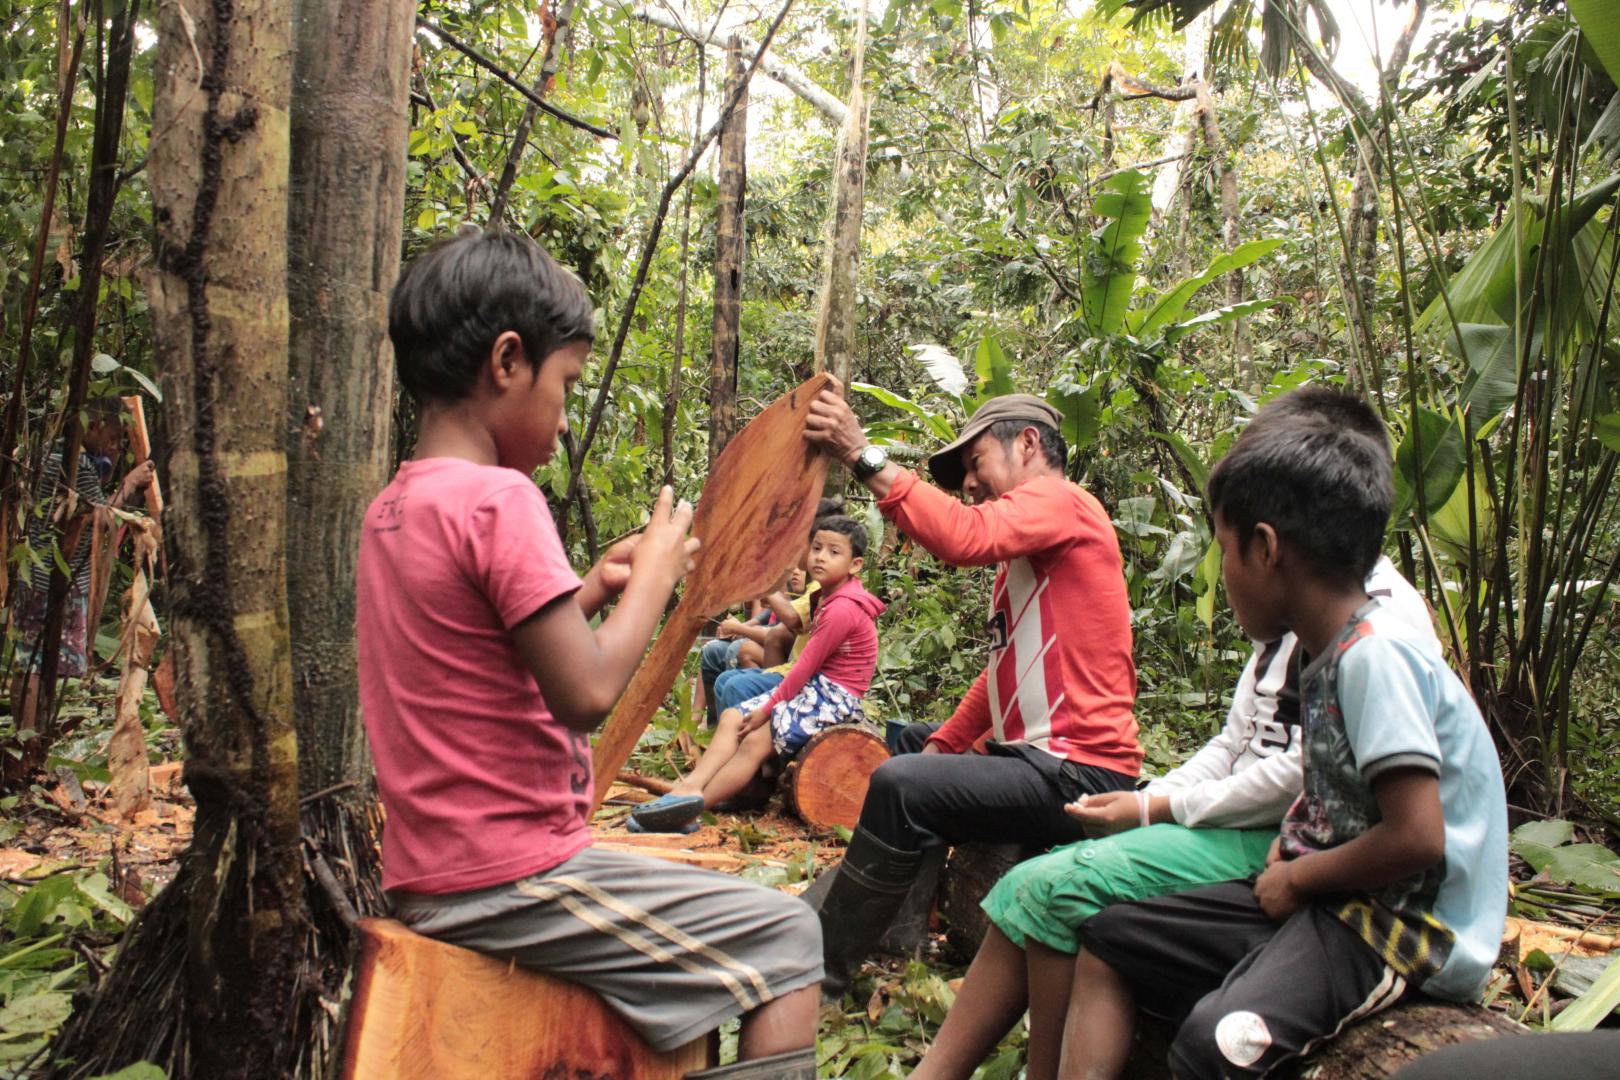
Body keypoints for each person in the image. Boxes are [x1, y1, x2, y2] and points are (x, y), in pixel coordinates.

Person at [355, 229, 821, 1079]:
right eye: (565, 384)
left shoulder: (398, 503)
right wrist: (655, 578)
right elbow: (588, 689)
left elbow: (479, 652)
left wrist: (596, 590)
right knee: (788, 937)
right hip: (505, 877)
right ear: (507, 361)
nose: (566, 416)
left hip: (435, 866)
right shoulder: (500, 499)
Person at [914, 387, 1444, 1079]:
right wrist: (1152, 801)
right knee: (1038, 889)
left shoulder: (1370, 632)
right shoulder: (1301, 618)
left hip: (1283, 843)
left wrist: (1160, 808)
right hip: (1254, 827)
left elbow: (1319, 783)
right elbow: (1236, 743)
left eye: (1224, 548)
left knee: (1050, 888)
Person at [1049, 390, 1508, 1080]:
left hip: (1402, 928)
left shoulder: (1376, 656)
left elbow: (1417, 836)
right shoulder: (1328, 651)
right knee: (1111, 938)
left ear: (1266, 549)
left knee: (1215, 1044)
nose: (1223, 572)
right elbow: (1344, 794)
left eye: (1224, 549)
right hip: (1337, 897)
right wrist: (1297, 849)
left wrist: (1300, 875)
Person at [803, 384, 1141, 995]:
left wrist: (860, 453)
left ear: (1028, 444)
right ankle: (900, 928)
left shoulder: (1062, 501)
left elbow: (963, 536)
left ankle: (818, 976)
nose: (968, 482)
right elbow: (1000, 674)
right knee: (915, 742)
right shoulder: (1030, 556)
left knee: (900, 784)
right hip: (1038, 762)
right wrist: (945, 743)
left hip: (1077, 772)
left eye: (976, 461)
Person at [632, 515, 885, 833]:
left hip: (834, 696)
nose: (820, 557)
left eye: (834, 552)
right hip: (816, 686)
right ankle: (689, 788)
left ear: (855, 564)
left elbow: (804, 667)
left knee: (754, 742)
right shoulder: (825, 595)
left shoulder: (843, 608)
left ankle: (690, 810)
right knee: (731, 718)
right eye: (817, 547)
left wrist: (767, 709)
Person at [8, 399, 156, 738]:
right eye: (113, 439)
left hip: (42, 573)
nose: (115, 449)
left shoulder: (58, 453)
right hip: (51, 576)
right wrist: (129, 483)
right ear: (92, 428)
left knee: (32, 659)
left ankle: (30, 733)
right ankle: (28, 734)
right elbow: (98, 518)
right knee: (36, 661)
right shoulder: (72, 463)